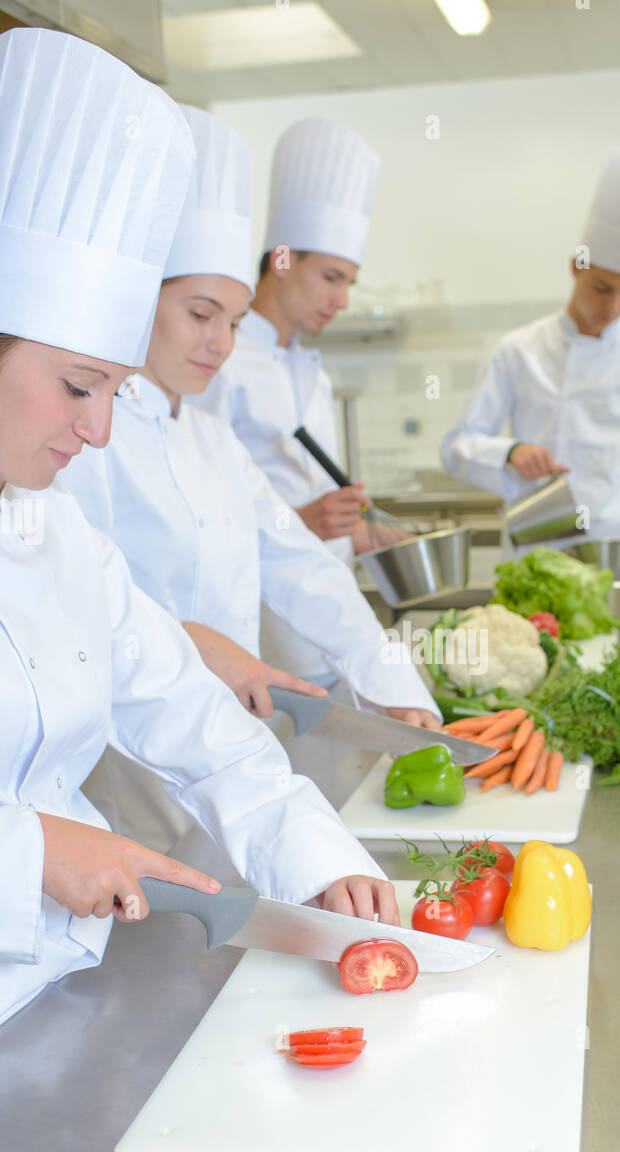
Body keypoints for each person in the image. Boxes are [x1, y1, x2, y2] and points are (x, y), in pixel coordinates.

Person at [0, 29, 396, 1029]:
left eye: (113, 390)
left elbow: (200, 726)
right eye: (79, 386)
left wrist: (320, 865)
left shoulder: (58, 539)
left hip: (58, 997)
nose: (96, 430)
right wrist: (32, 850)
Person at [65, 106, 440, 846]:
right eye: (202, 313)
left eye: (234, 321)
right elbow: (81, 607)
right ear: (142, 302)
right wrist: (193, 640)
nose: (220, 344)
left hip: (234, 760)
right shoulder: (85, 437)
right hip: (132, 778)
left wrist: (392, 690)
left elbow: (305, 569)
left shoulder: (211, 439)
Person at [198, 118, 399, 686]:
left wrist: (369, 532)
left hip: (329, 613)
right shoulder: (217, 363)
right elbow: (202, 510)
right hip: (261, 625)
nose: (342, 299)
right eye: (332, 277)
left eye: (351, 282)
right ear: (282, 260)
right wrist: (303, 522)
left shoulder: (312, 370)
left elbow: (319, 501)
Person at [439, 149, 620, 556]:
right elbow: (457, 446)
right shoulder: (518, 351)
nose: (613, 306)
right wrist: (511, 452)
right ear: (576, 266)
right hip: (537, 550)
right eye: (602, 288)